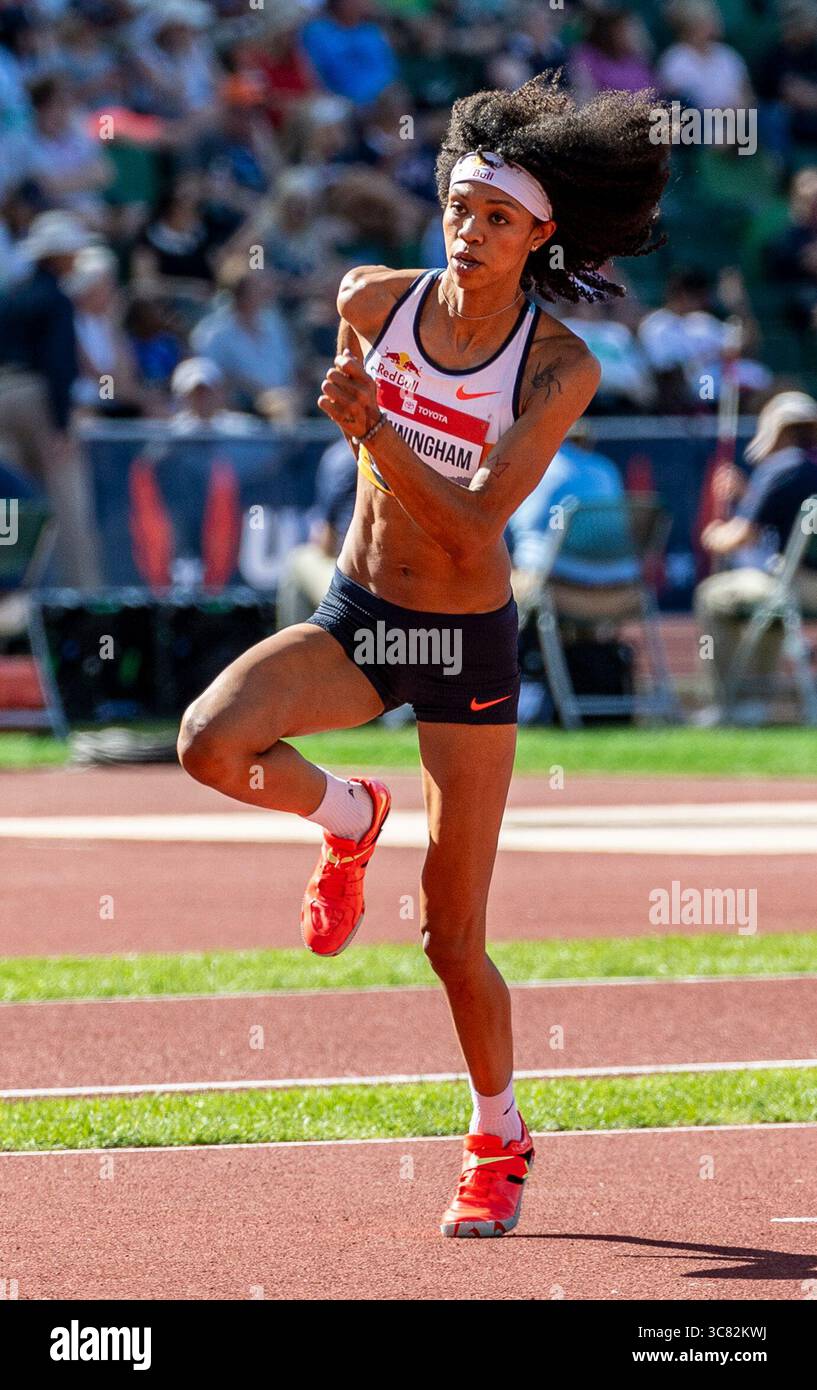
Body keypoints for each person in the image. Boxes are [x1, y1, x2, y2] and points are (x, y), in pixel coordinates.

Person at [177, 73, 668, 1238]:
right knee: (208, 741)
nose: (471, 226)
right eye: (459, 203)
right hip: (357, 618)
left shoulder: (559, 367)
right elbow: (361, 420)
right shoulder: (370, 300)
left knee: (452, 937)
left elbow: (472, 525)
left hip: (466, 646)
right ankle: (347, 814)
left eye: (498, 216)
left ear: (541, 235)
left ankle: (497, 1135)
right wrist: (364, 420)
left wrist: (377, 430)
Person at [695, 390, 817, 720]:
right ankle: (757, 702)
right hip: (799, 584)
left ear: (778, 432)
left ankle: (730, 705)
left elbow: (741, 536)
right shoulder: (803, 468)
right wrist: (746, 492)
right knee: (770, 603)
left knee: (712, 596)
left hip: (798, 585)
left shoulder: (779, 468)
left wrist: (714, 535)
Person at [0, 210, 101, 586]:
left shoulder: (11, 294)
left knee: (11, 511)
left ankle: (11, 597)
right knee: (68, 505)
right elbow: (60, 363)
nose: (76, 258)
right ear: (56, 256)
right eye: (71, 251)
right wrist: (61, 425)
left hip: (2, 397)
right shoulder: (56, 298)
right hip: (37, 401)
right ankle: (81, 600)